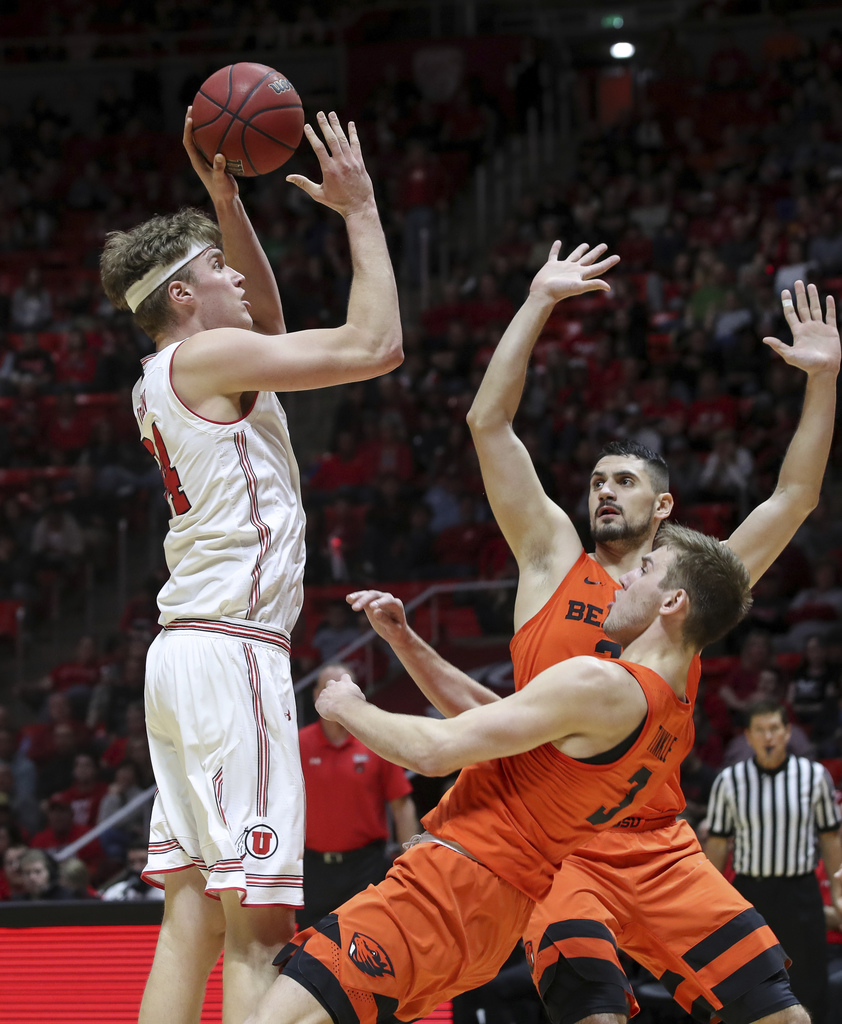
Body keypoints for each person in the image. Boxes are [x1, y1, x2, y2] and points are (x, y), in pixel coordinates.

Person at [462, 243, 840, 1024]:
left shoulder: (691, 584)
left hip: (660, 842)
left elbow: (794, 496)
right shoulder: (551, 558)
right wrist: (538, 300)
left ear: (663, 506)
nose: (604, 490)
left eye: (624, 481)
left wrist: (824, 380)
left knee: (784, 1016)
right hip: (559, 843)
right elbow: (488, 423)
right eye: (597, 481)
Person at [98, 108, 402, 1024]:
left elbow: (265, 317)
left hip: (185, 654)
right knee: (262, 930)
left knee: (191, 916)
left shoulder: (171, 372)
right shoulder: (210, 358)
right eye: (216, 268)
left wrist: (225, 203)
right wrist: (360, 210)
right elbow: (375, 347)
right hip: (233, 653)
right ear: (183, 297)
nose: (235, 271)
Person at [243, 524, 756, 1024]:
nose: (623, 578)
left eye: (644, 570)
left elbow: (433, 753)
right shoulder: (675, 721)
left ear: (673, 602)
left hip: (448, 888)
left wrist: (347, 706)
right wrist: (405, 640)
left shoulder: (602, 683)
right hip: (493, 918)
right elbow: (502, 726)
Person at [705, 699, 842, 1024]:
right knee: (748, 983)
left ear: (787, 732)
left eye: (774, 729)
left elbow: (830, 837)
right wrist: (710, 901)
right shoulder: (729, 780)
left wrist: (838, 892)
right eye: (760, 730)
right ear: (748, 737)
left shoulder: (814, 776)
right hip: (750, 895)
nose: (768, 737)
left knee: (808, 983)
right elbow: (718, 843)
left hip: (801, 893)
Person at [297, 662, 419, 929]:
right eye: (327, 688)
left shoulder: (375, 742)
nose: (335, 695)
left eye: (343, 688)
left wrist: (410, 864)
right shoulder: (298, 745)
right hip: (313, 870)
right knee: (309, 946)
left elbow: (402, 805)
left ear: (356, 693)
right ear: (316, 695)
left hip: (366, 868)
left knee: (369, 941)